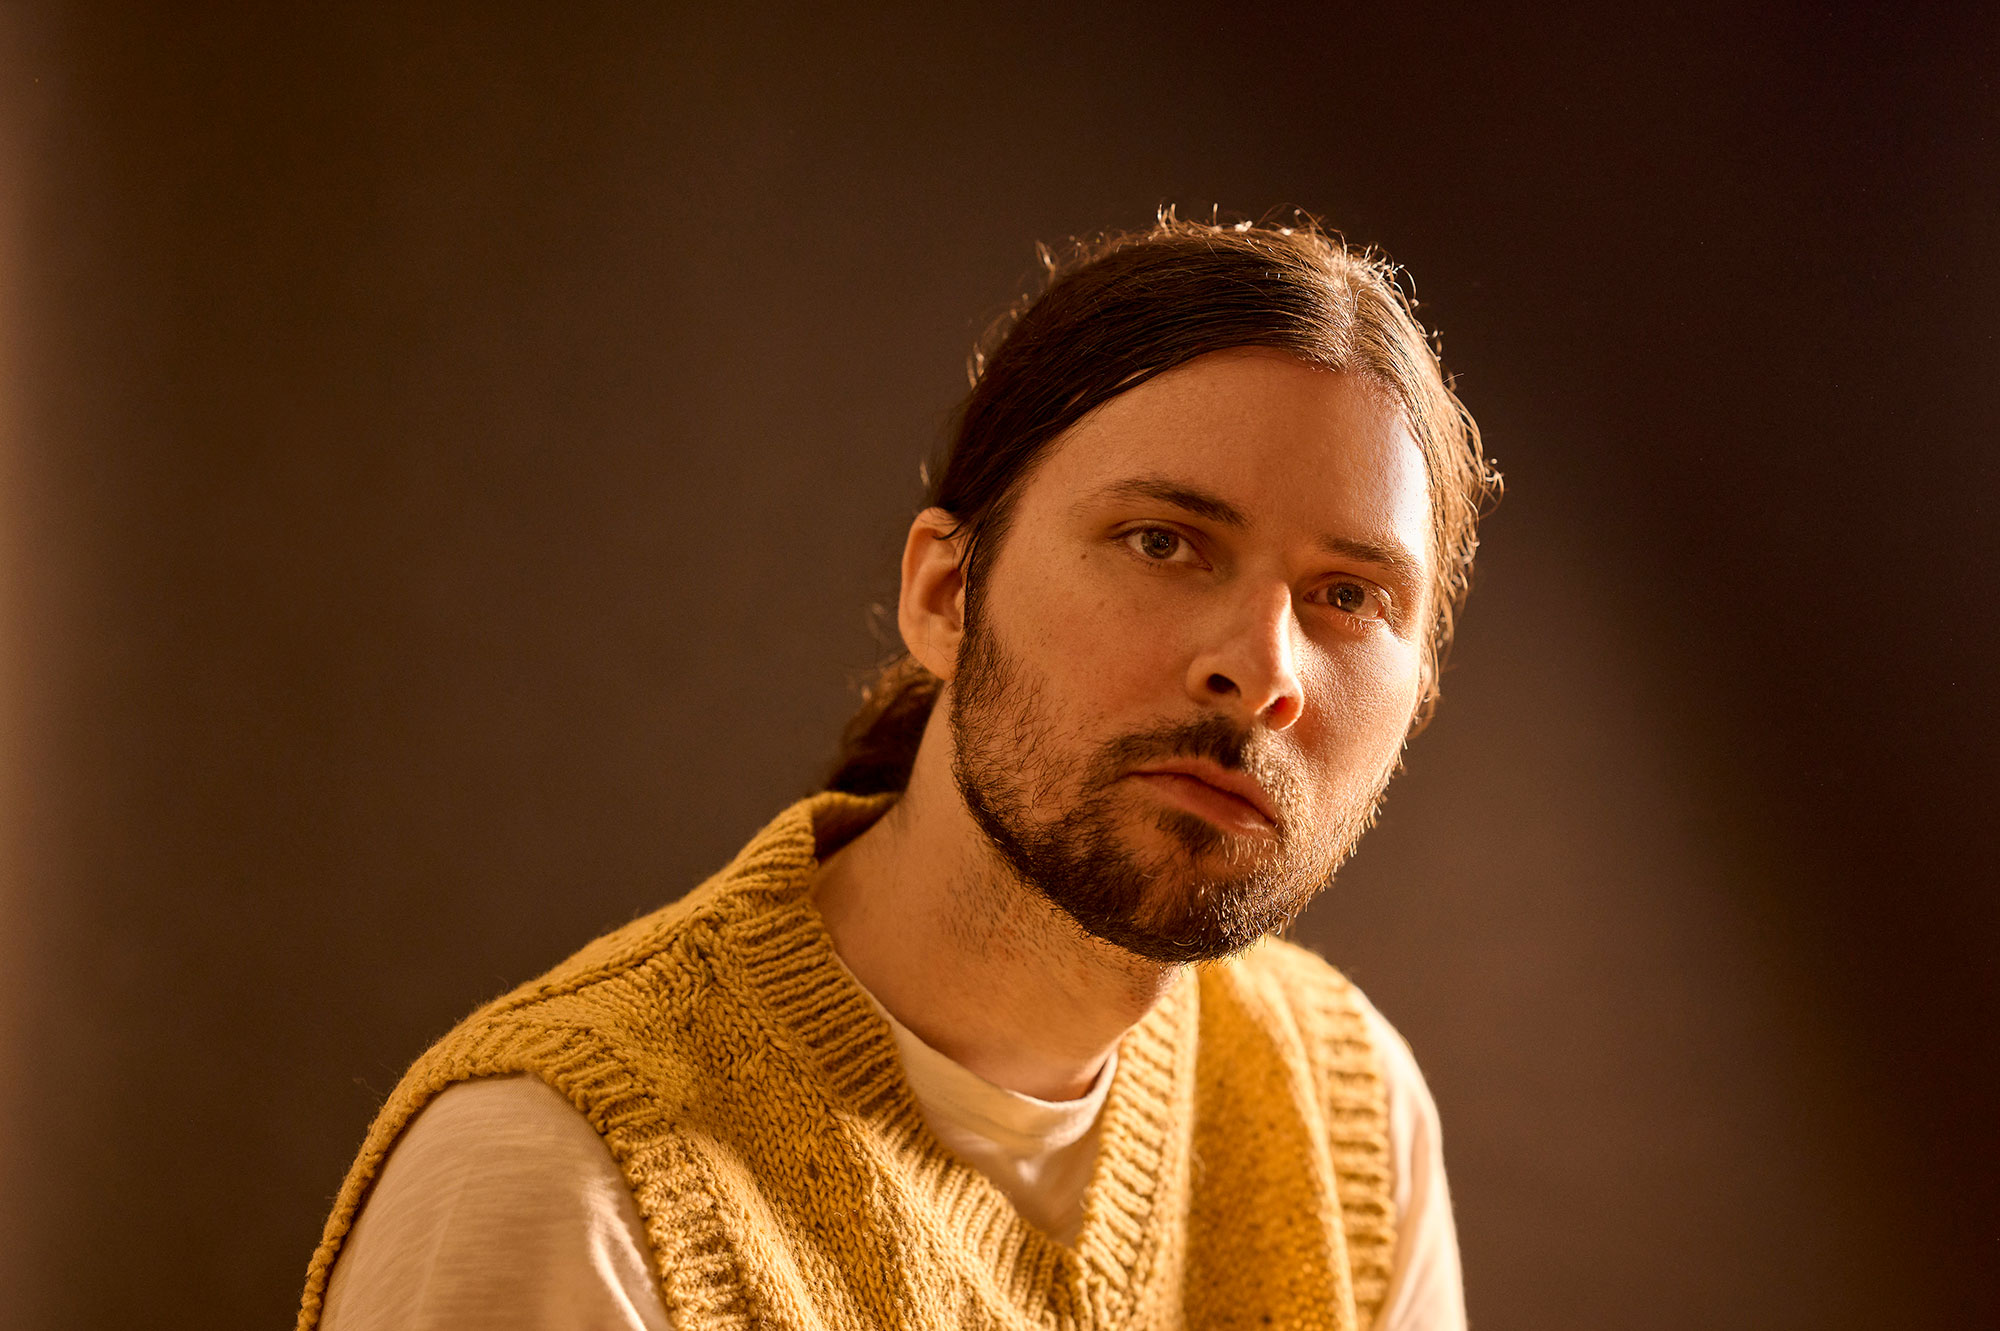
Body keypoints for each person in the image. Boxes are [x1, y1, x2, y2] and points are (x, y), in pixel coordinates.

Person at [297, 213, 1500, 1331]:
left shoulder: (1344, 1105)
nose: (1262, 669)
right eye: (1162, 541)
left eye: (1348, 596)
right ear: (943, 595)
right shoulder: (557, 1176)